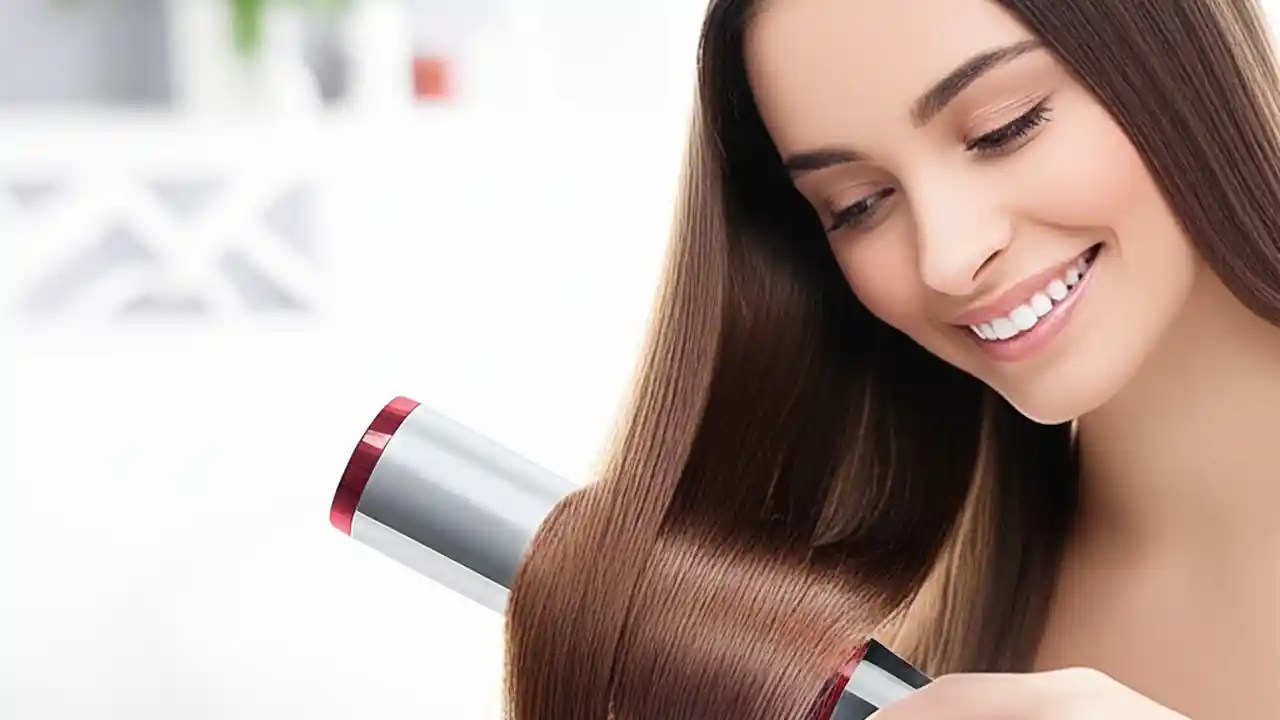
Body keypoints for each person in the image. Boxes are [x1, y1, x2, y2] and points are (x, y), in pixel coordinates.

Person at [502, 2, 1280, 718]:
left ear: (1178, 55)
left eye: (1006, 127)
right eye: (858, 205)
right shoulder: (897, 644)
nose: (945, 258)